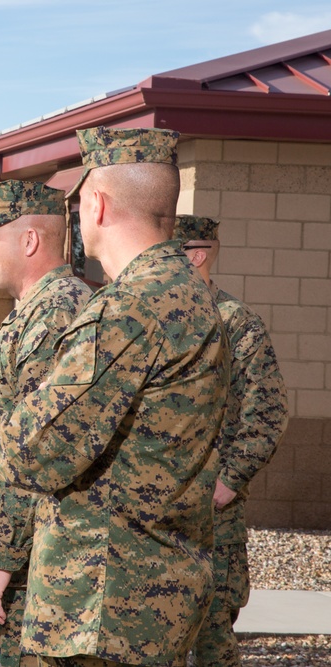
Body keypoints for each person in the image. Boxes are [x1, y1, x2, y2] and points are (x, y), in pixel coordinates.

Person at [0, 127, 230, 667]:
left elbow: (33, 451)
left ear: (96, 204)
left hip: (100, 606)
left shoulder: (128, 308)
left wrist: (7, 420)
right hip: (153, 594)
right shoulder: (189, 292)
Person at [0, 180, 92, 667]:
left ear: (30, 241)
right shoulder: (32, 312)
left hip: (26, 565)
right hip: (17, 557)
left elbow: (37, 448)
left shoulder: (57, 312)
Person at [174, 215, 289, 667]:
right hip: (155, 514)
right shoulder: (156, 319)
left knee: (211, 637)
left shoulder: (235, 323)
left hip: (211, 519)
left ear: (198, 255)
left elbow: (267, 411)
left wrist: (229, 481)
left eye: (170, 253)